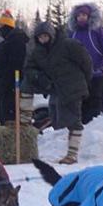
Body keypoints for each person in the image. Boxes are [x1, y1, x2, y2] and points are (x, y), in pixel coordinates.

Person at [24, 22, 91, 164]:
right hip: (56, 90)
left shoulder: (69, 45)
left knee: (74, 121)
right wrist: (40, 79)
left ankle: (72, 154)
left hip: (72, 87)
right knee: (57, 120)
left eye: (45, 36)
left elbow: (86, 62)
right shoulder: (38, 52)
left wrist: (84, 80)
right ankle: (70, 153)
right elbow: (29, 68)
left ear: (51, 35)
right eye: (40, 37)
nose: (43, 39)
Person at [68, 3, 103, 124]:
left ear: (89, 16)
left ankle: (92, 127)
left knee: (95, 102)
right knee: (79, 103)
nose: (81, 17)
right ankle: (79, 128)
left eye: (84, 15)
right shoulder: (72, 33)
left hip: (96, 73)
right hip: (77, 76)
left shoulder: (98, 31)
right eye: (79, 15)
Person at [0, 10, 28, 125]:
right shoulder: (9, 40)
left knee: (8, 117)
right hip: (5, 85)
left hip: (10, 86)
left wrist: (3, 83)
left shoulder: (15, 41)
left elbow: (14, 65)